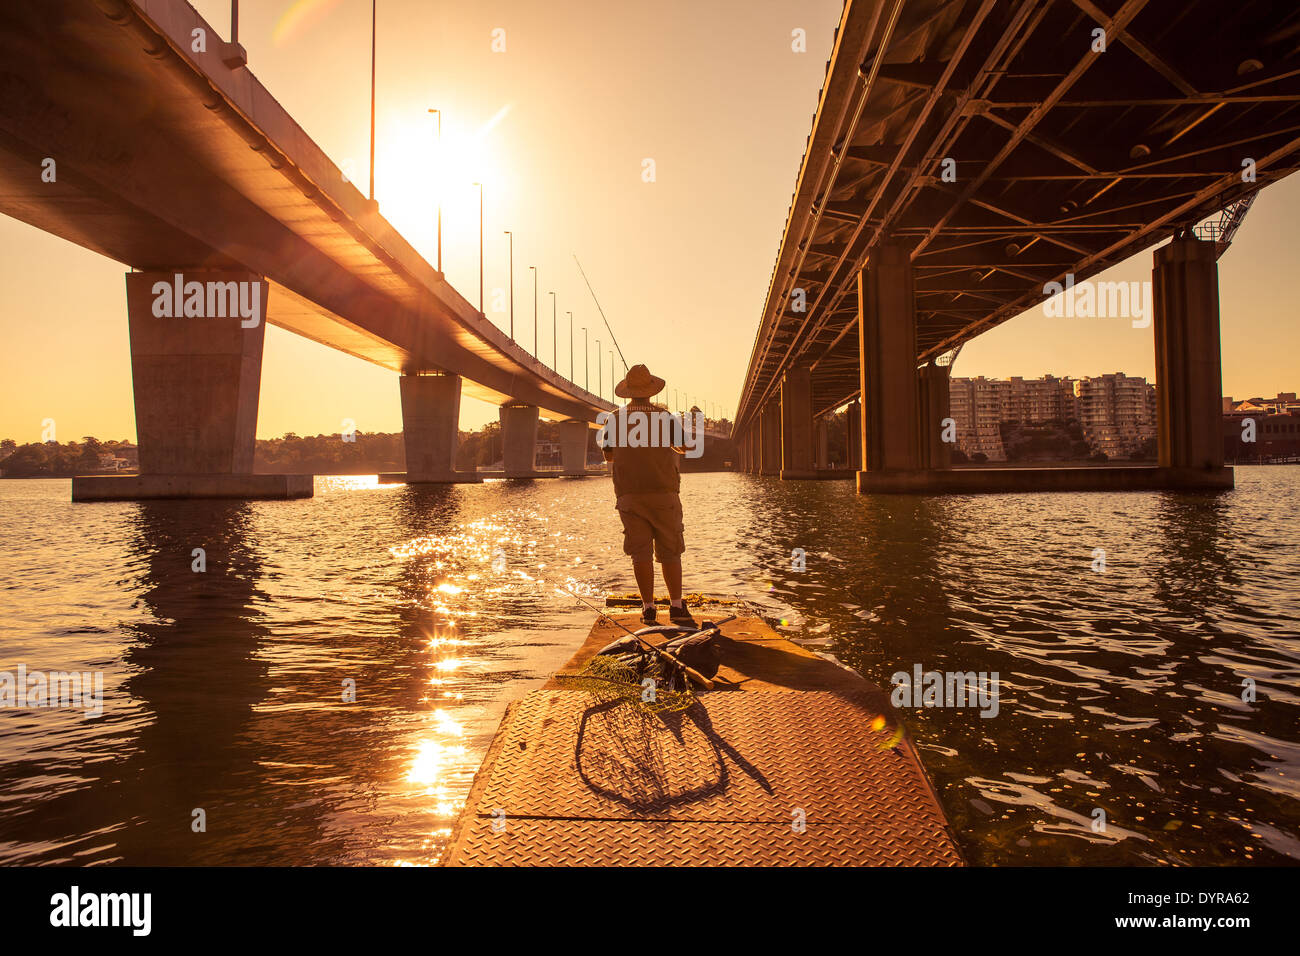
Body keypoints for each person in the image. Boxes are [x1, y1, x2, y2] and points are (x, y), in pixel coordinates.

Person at [600, 364, 696, 627]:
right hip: (664, 494)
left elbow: (608, 455)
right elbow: (685, 447)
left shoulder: (613, 419)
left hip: (630, 496)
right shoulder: (665, 417)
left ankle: (649, 608)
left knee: (640, 553)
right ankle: (676, 607)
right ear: (651, 391)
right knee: (670, 550)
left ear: (628, 392)